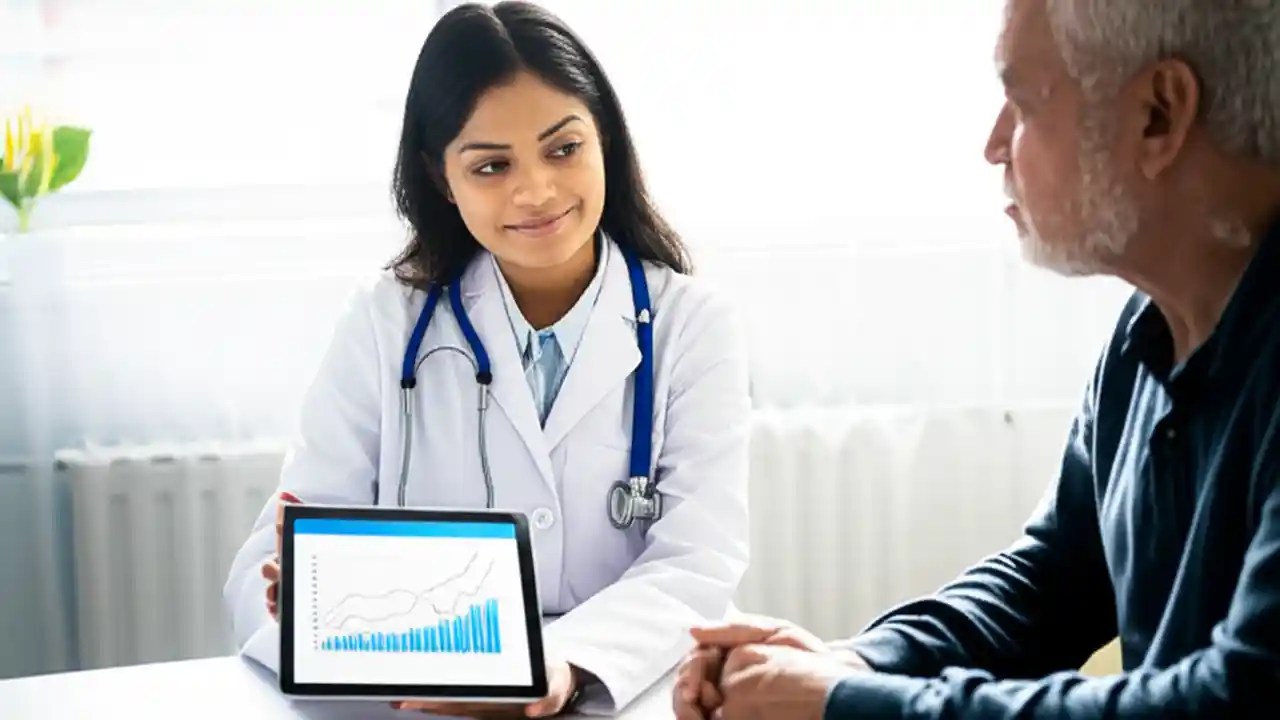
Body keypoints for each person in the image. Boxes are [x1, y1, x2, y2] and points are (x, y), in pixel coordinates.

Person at [673, 0, 1280, 718]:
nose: (995, 145)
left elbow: (1236, 700)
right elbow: (1052, 579)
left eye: (1021, 103)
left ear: (1158, 114)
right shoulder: (1146, 333)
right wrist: (853, 660)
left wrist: (846, 704)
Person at [223, 2, 751, 716]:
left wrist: (561, 666)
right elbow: (284, 551)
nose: (535, 190)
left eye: (564, 148)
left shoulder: (693, 327)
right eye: (491, 165)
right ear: (442, 178)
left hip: (615, 694)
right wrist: (320, 614)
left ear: (607, 143)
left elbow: (697, 560)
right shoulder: (386, 321)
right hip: (414, 698)